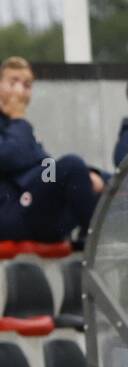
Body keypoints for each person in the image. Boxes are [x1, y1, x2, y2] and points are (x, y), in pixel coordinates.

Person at [0, 57, 105, 246]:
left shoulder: (18, 128)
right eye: (13, 82)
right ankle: (96, 246)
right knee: (71, 165)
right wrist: (18, 118)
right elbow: (9, 156)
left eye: (27, 85)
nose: (21, 91)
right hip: (11, 213)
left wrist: (94, 175)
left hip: (34, 204)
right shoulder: (18, 125)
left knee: (96, 185)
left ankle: (86, 244)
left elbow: (47, 168)